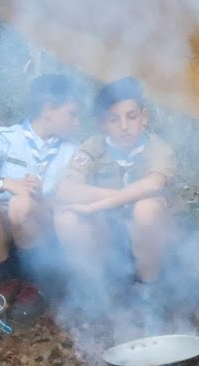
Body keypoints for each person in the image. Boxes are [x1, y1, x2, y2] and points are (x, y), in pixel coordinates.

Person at [0, 74, 81, 319]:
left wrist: (39, 197)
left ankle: (34, 284)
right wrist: (5, 184)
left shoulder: (73, 151)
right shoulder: (6, 138)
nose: (77, 122)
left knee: (22, 204)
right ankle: (4, 279)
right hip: (0, 228)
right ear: (48, 110)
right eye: (71, 114)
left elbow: (74, 200)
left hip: (42, 229)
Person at [55, 78, 178, 292]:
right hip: (110, 235)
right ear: (102, 124)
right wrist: (121, 197)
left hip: (156, 239)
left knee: (146, 208)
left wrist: (95, 205)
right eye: (114, 119)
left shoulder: (158, 149)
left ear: (144, 117)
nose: (124, 127)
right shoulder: (93, 148)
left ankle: (148, 289)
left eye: (131, 117)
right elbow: (66, 190)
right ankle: (97, 290)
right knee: (65, 217)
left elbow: (154, 184)